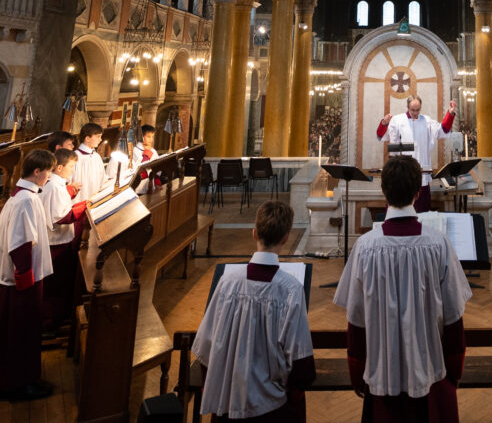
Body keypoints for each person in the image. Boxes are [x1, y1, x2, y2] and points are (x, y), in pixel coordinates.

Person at [335, 156, 470, 423]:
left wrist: (357, 371)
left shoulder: (365, 247)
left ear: (383, 191)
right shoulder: (438, 244)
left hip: (381, 376)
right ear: (418, 192)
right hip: (430, 375)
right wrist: (453, 370)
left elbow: (356, 322)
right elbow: (454, 319)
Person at [192, 201, 315, 422]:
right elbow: (300, 362)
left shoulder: (227, 283)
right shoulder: (290, 289)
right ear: (286, 238)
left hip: (228, 404)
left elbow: (205, 345)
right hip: (272, 408)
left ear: (254, 233)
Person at [0, 149, 57, 402]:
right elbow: (21, 243)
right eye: (47, 171)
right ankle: (18, 383)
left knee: (12, 332)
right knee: (20, 333)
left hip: (19, 278)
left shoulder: (24, 196)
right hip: (20, 280)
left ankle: (8, 380)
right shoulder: (25, 201)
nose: (49, 176)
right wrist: (25, 279)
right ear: (37, 171)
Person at [375, 96, 456, 212]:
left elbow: (443, 130)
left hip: (421, 174)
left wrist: (450, 114)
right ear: (407, 107)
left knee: (421, 214)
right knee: (400, 211)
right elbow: (381, 135)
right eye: (412, 110)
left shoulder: (426, 121)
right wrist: (384, 123)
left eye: (418, 110)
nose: (415, 113)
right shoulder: (397, 120)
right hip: (401, 174)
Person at [40, 148, 87, 331]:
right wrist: (85, 206)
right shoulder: (53, 186)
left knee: (59, 285)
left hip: (59, 241)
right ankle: (48, 323)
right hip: (55, 243)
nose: (72, 170)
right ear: (59, 168)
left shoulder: (57, 184)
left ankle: (56, 318)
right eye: (71, 166)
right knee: (54, 286)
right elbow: (61, 217)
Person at [72, 122, 107, 202]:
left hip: (94, 200)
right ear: (87, 138)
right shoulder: (75, 157)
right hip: (79, 201)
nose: (100, 139)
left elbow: (102, 178)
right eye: (98, 136)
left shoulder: (96, 156)